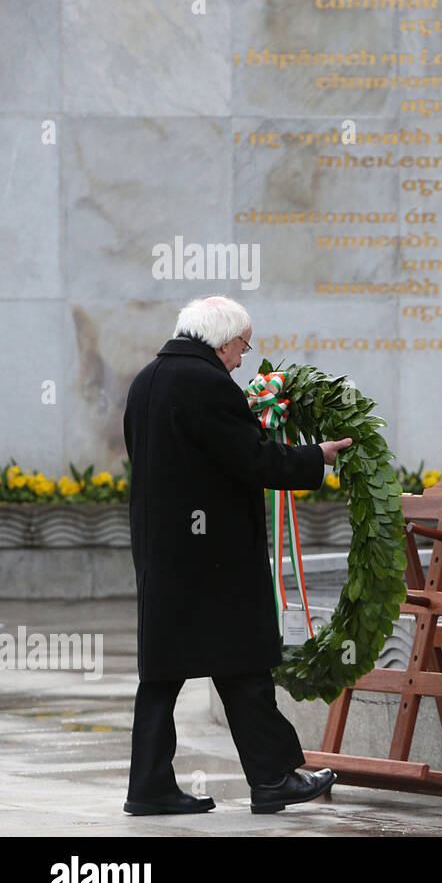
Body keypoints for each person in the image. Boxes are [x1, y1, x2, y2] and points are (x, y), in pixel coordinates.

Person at [122, 295, 353, 815]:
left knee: (161, 675)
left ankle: (150, 786)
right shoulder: (206, 384)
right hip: (215, 558)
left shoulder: (146, 381)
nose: (242, 360)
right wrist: (315, 457)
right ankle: (272, 778)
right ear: (223, 339)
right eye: (242, 347)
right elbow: (250, 459)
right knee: (245, 663)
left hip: (165, 555)